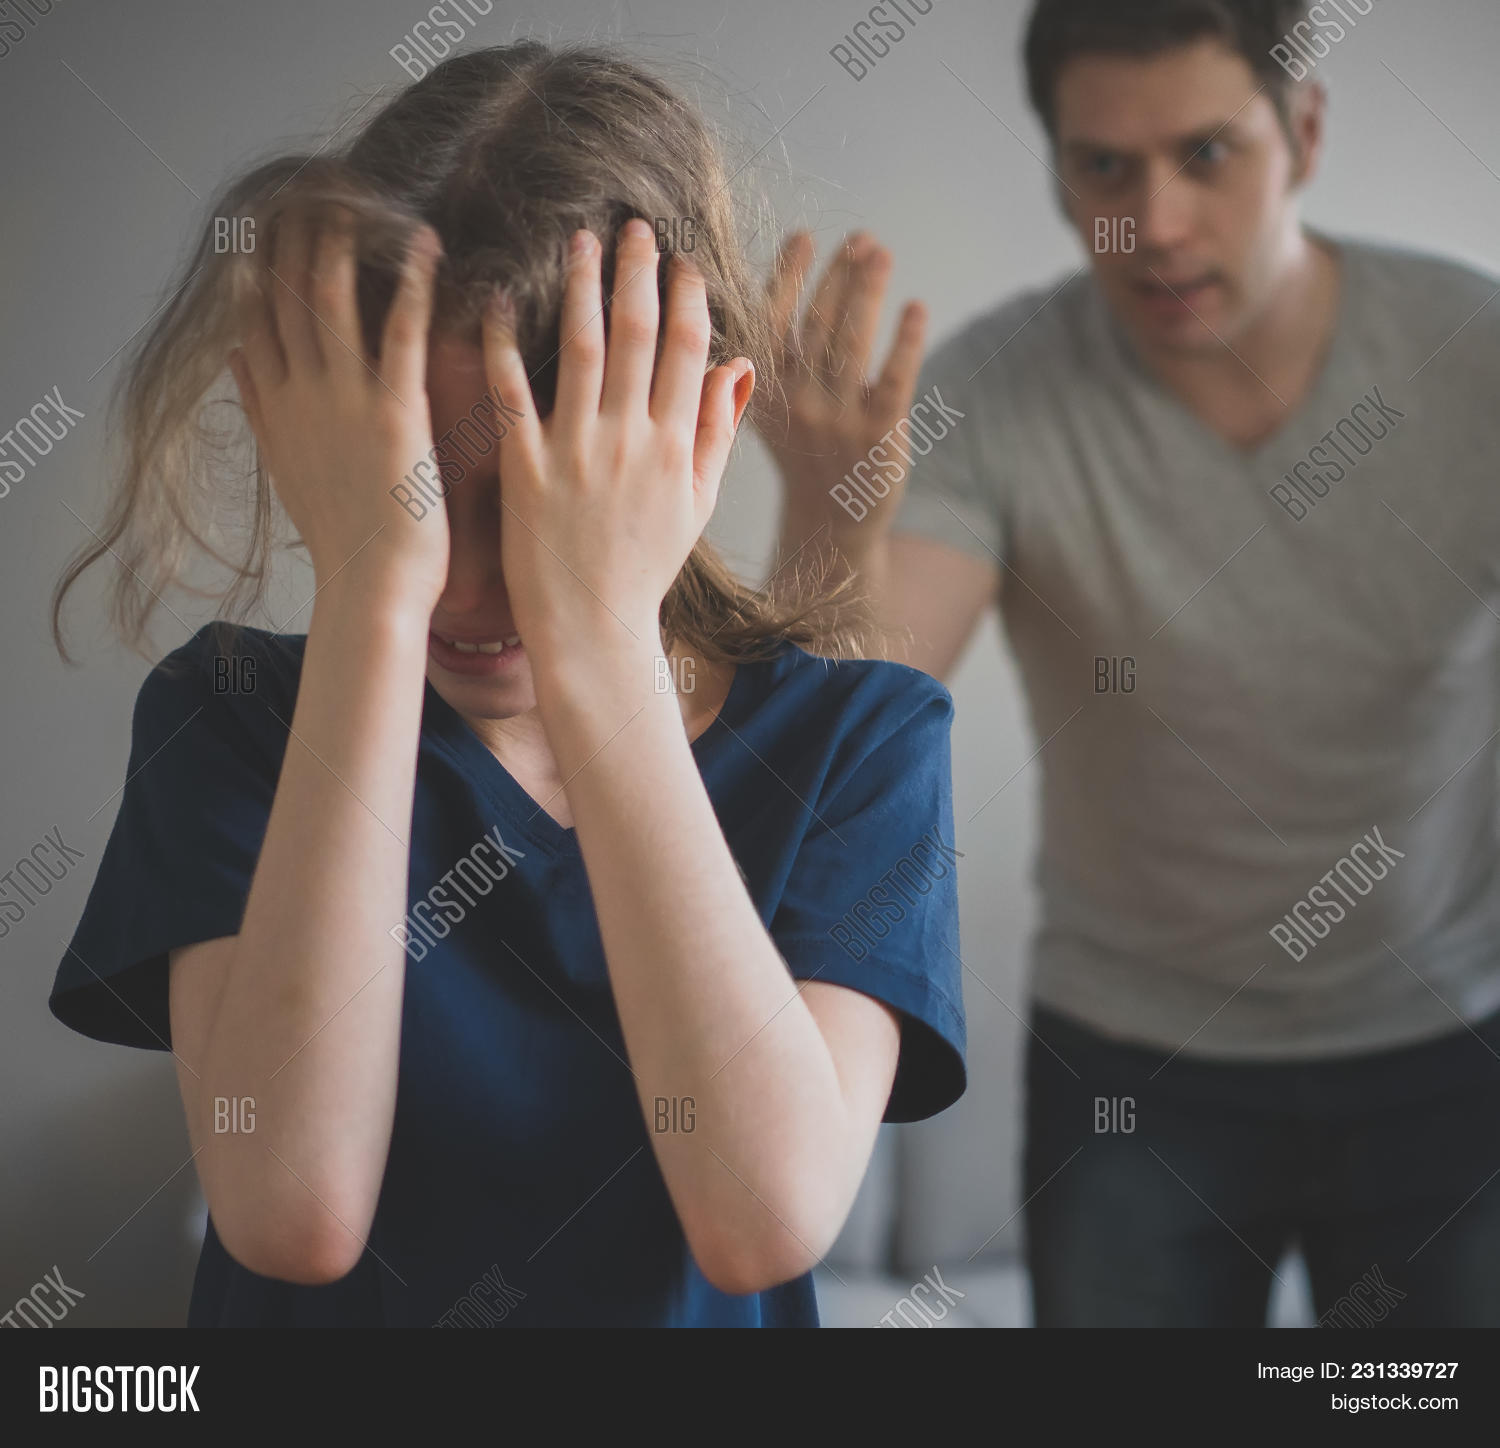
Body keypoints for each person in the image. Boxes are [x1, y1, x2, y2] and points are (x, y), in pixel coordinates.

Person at [47, 42, 967, 1328]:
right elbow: (289, 1205)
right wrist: (374, 589)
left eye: (533, 508)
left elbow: (762, 1216)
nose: (469, 591)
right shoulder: (230, 716)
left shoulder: (862, 740)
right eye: (413, 493)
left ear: (700, 433)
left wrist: (599, 638)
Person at [764, 0, 1500, 1327]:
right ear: (1057, 169)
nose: (1151, 224)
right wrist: (828, 511)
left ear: (1304, 132)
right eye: (1105, 167)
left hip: (1450, 1041)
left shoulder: (1473, 358)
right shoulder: (998, 391)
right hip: (1135, 1068)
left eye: (1206, 154)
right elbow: (848, 734)